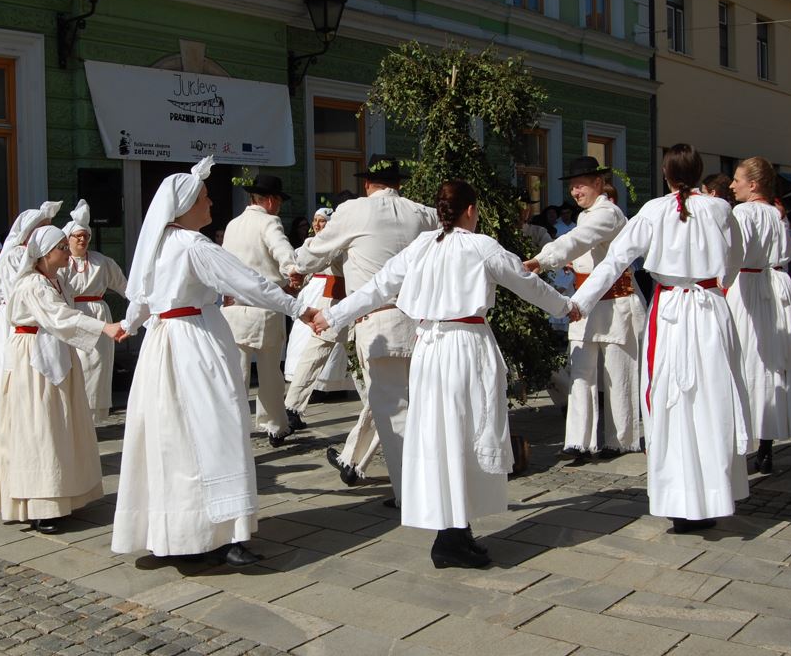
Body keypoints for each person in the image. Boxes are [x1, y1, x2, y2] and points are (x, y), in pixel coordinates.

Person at [311, 181, 577, 568]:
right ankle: (451, 536)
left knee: (442, 434)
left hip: (431, 351)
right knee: (463, 432)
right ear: (470, 210)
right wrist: (565, 306)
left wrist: (332, 314)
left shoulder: (421, 247)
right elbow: (525, 282)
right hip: (465, 346)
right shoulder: (479, 245)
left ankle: (455, 530)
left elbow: (376, 288)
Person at [112, 157, 316, 565]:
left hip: (162, 346)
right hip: (193, 345)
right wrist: (299, 309)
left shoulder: (159, 243)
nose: (211, 205)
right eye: (205, 198)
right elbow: (249, 282)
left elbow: (143, 297)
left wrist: (128, 325)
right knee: (214, 431)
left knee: (170, 439)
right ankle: (223, 536)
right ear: (185, 207)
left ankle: (173, 532)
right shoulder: (193, 244)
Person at [573, 144, 749, 534]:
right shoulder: (719, 209)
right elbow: (735, 257)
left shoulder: (653, 211)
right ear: (699, 172)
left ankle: (681, 501)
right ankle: (711, 495)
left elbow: (615, 260)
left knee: (670, 403)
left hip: (671, 314)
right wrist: (721, 285)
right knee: (711, 400)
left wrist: (579, 303)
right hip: (709, 311)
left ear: (666, 175)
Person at [295, 156, 439, 504]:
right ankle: (368, 466)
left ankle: (412, 493)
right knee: (408, 405)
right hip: (421, 322)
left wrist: (294, 266)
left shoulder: (354, 210)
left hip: (379, 322)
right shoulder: (423, 212)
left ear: (367, 184)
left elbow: (313, 254)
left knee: (393, 410)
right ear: (398, 183)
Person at [0, 226, 122, 534]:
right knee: (39, 427)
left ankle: (62, 495)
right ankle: (39, 504)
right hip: (33, 358)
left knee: (59, 424)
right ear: (46, 253)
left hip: (55, 351)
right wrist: (104, 328)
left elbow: (63, 316)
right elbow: (59, 317)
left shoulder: (57, 280)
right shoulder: (33, 283)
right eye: (62, 247)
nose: (66, 251)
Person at [523, 156, 645, 460]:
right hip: (586, 302)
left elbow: (579, 241)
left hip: (616, 302)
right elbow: (578, 243)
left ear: (598, 183)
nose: (576, 191)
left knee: (618, 372)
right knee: (581, 370)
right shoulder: (587, 214)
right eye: (573, 186)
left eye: (581, 185)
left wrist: (543, 259)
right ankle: (579, 440)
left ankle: (620, 439)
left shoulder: (609, 214)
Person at [726, 157, 791, 476]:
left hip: (749, 288)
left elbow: (733, 253)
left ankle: (744, 443)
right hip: (776, 288)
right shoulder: (777, 214)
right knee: (772, 363)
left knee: (745, 360)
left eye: (737, 180)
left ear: (754, 184)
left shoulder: (744, 212)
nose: (732, 186)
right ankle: (765, 445)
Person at [0, 201, 62, 457]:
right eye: (42, 228)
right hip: (14, 319)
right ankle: (5, 434)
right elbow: (20, 287)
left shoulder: (26, 256)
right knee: (9, 371)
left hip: (28, 316)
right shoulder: (15, 256)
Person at [222, 174, 302, 445]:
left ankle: (232, 428)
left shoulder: (233, 225)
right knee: (269, 373)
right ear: (269, 200)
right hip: (264, 309)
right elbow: (281, 248)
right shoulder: (269, 221)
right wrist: (293, 271)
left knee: (237, 374)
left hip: (234, 309)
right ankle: (275, 426)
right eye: (278, 200)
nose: (279, 206)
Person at [284, 208, 356, 443]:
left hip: (347, 301)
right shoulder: (338, 238)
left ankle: (292, 407)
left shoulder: (341, 237)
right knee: (320, 354)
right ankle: (291, 408)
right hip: (336, 301)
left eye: (322, 220)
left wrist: (299, 270)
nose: (318, 224)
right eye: (315, 221)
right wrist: (299, 272)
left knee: (355, 359)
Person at [60, 200, 128, 424]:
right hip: (72, 315)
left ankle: (90, 419)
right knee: (74, 364)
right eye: (77, 236)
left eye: (85, 236)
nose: (82, 240)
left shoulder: (101, 261)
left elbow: (124, 286)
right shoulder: (60, 263)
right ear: (68, 238)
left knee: (96, 365)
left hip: (98, 315)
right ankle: (71, 418)